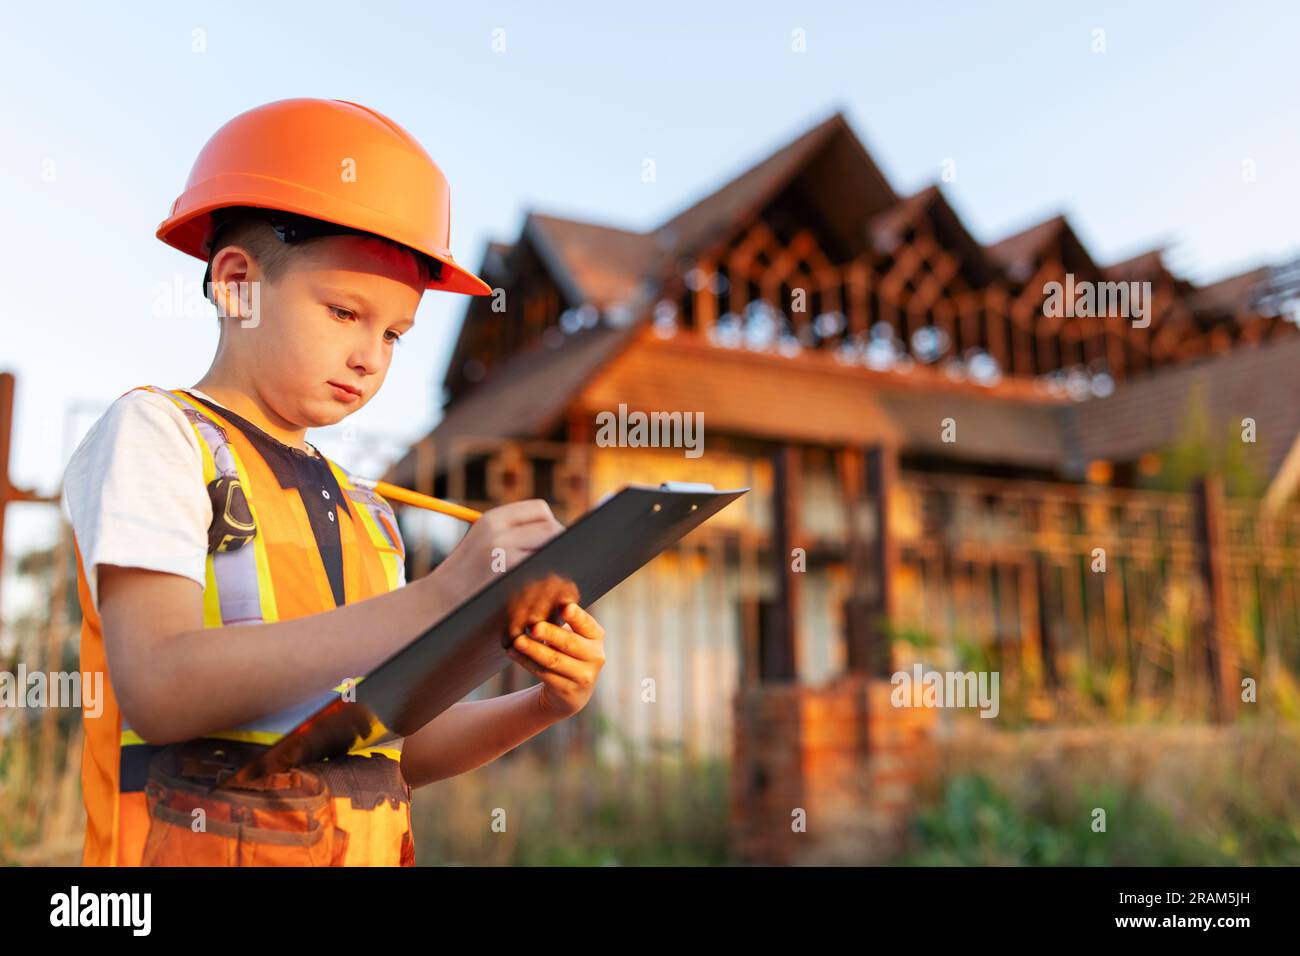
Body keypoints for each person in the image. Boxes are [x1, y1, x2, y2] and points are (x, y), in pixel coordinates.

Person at [61, 98, 607, 867]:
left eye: (393, 334)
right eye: (344, 312)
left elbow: (389, 754)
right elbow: (159, 685)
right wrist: (442, 597)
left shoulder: (369, 513)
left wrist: (542, 705)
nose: (371, 357)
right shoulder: (158, 437)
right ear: (238, 284)